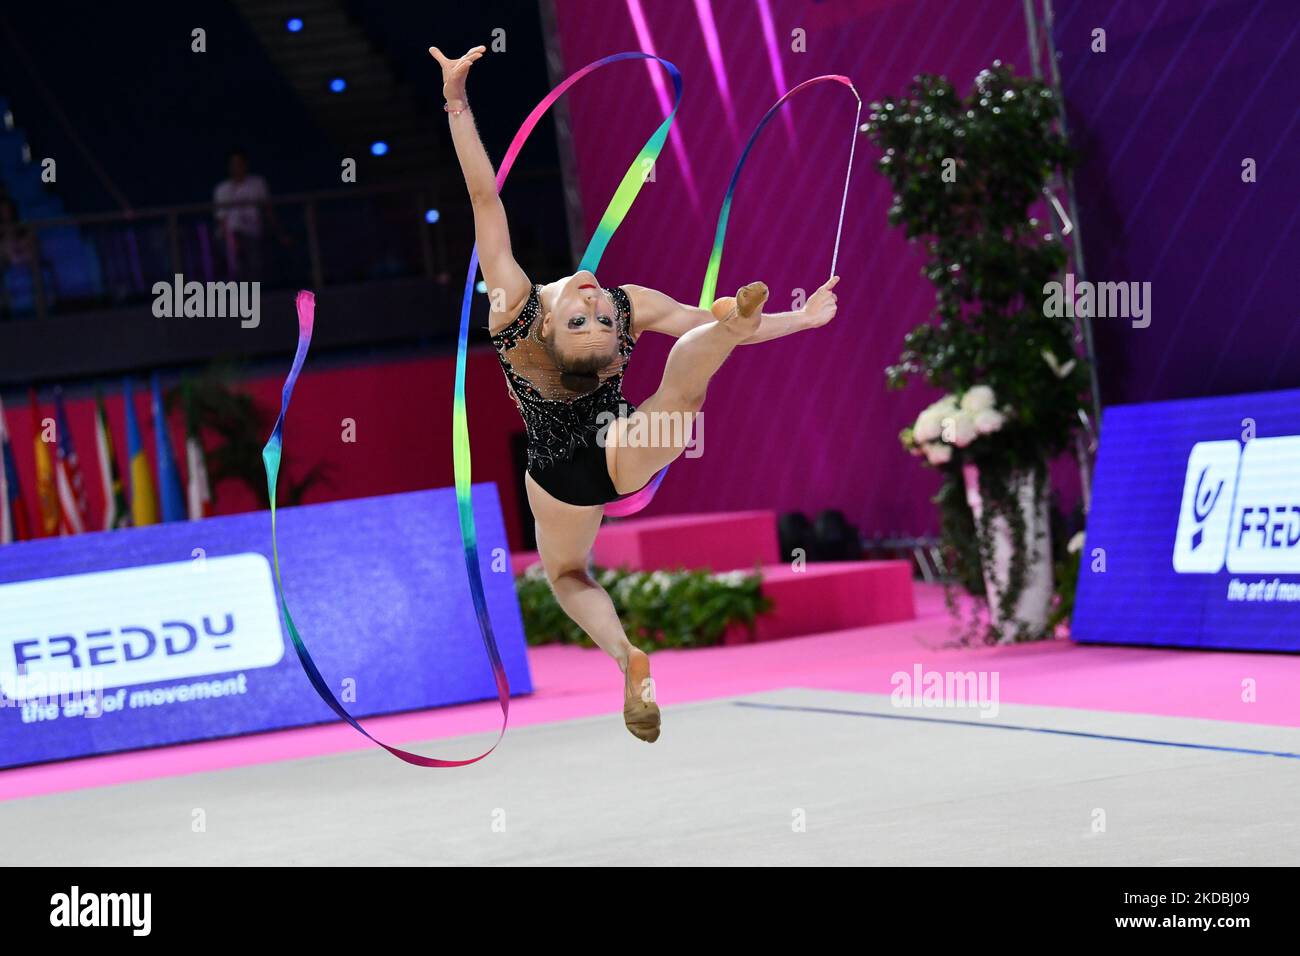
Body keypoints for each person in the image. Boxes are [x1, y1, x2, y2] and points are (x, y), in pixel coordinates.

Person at [432, 45, 840, 743]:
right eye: (590, 321)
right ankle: (716, 334)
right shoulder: (625, 304)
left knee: (567, 572)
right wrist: (794, 318)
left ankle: (626, 657)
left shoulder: (513, 308)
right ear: (588, 336)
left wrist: (457, 103)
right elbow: (482, 195)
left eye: (586, 319)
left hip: (563, 482)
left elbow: (482, 198)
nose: (592, 306)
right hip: (623, 448)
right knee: (684, 388)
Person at [213, 149, 285, 280]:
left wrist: (279, 232)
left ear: (245, 164)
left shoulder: (257, 183)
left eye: (239, 163)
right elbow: (222, 219)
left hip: (253, 232)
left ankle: (256, 295)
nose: (236, 167)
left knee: (255, 265)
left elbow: (268, 210)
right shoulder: (222, 188)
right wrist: (231, 241)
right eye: (233, 164)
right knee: (235, 267)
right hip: (230, 234)